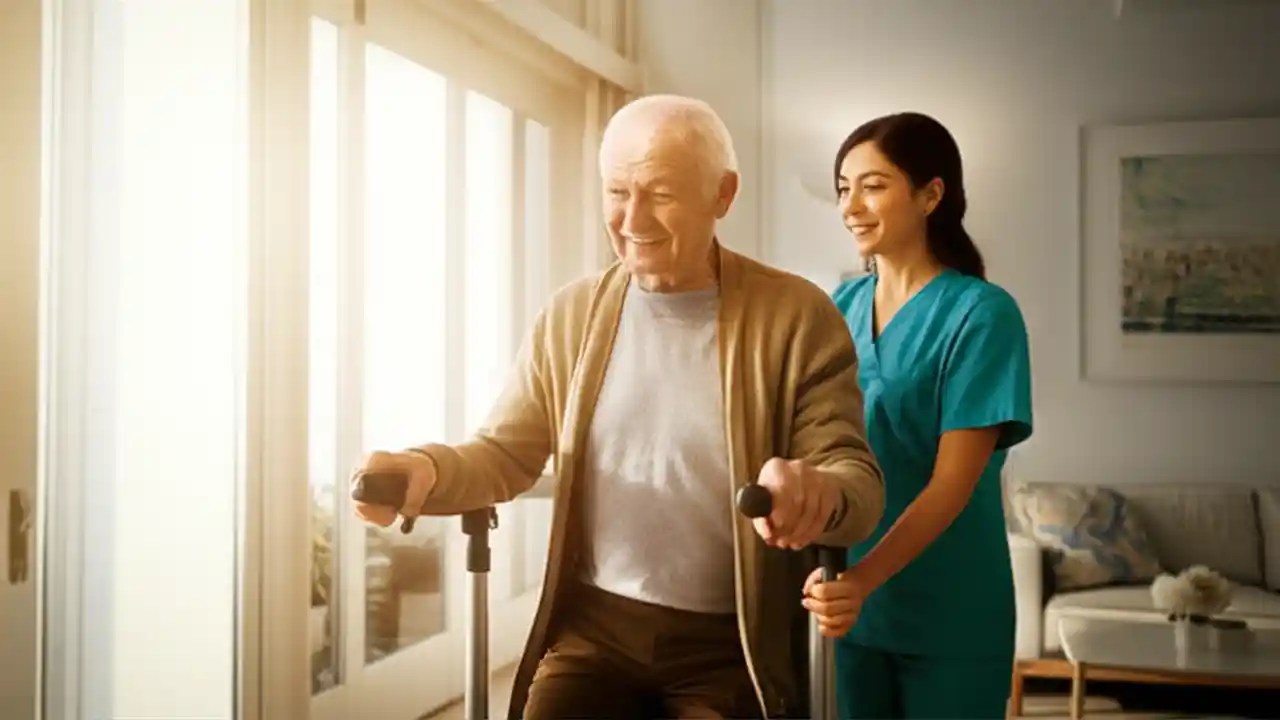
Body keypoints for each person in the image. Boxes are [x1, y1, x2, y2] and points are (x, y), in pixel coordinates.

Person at [351, 94, 885, 720]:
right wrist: (427, 471)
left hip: (729, 642)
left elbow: (856, 479)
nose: (632, 218)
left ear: (723, 194)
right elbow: (505, 452)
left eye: (660, 193)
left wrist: (815, 489)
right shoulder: (572, 316)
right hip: (596, 631)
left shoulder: (796, 317)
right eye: (616, 191)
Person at [800, 112, 1034, 719]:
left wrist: (863, 580)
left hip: (949, 612)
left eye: (873, 185)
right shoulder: (837, 307)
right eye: (843, 188)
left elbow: (952, 484)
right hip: (851, 606)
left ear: (932, 194)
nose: (851, 205)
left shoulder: (982, 315)